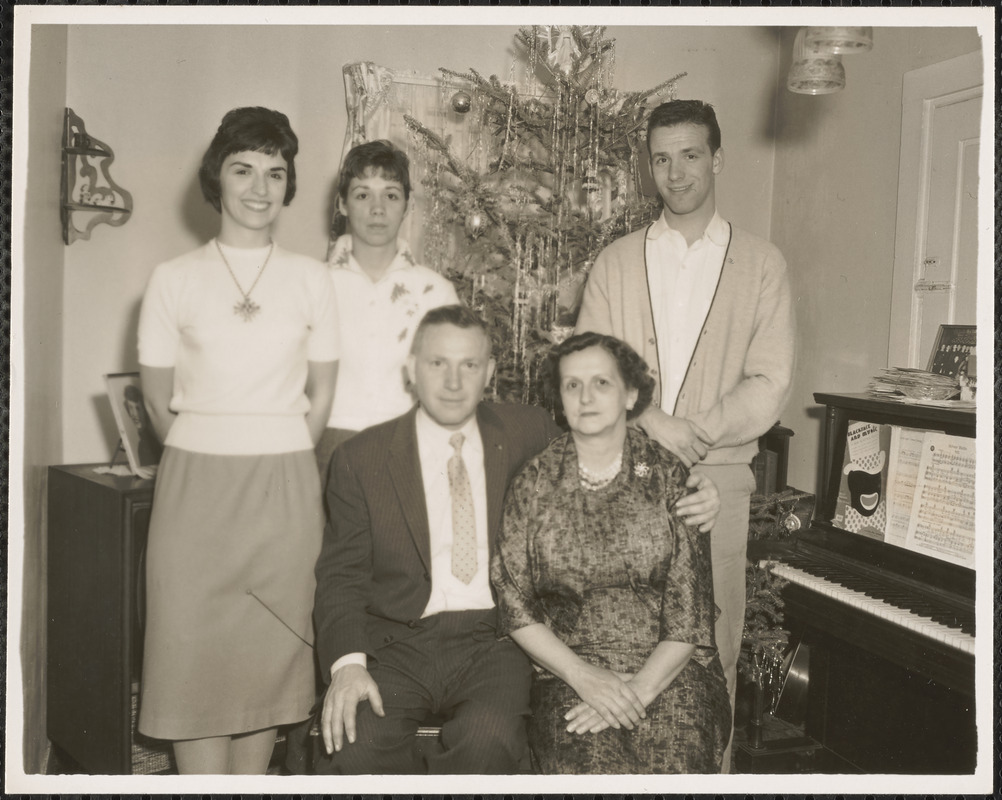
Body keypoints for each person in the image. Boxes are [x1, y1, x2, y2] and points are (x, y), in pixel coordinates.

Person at [311, 306, 721, 774]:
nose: (453, 382)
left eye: (469, 365)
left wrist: (696, 489)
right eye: (438, 363)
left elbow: (603, 443)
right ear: (412, 369)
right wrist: (347, 664)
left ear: (489, 373)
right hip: (396, 642)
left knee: (487, 742)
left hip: (494, 639)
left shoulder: (527, 431)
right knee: (357, 746)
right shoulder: (361, 458)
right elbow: (341, 576)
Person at [574, 99, 795, 769]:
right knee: (618, 648)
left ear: (717, 159)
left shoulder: (761, 263)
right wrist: (651, 422)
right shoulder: (616, 262)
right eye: (662, 159)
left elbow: (770, 379)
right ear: (650, 166)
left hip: (717, 478)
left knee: (709, 655)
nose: (676, 173)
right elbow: (591, 369)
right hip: (620, 475)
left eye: (691, 155)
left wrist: (695, 431)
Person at [136, 107, 339, 774]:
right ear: (216, 178)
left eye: (275, 173)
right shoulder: (173, 279)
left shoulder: (312, 279)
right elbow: (158, 403)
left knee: (266, 658)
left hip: (284, 489)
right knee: (191, 654)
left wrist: (281, 455)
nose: (259, 187)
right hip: (195, 489)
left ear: (289, 185)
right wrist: (209, 450)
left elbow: (321, 397)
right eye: (243, 169)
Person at [492, 332, 731, 774]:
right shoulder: (534, 482)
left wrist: (635, 692)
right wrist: (584, 678)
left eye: (601, 382)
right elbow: (514, 604)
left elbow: (690, 613)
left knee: (677, 761)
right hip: (569, 672)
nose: (586, 397)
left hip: (670, 671)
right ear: (559, 399)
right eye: (572, 385)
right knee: (586, 767)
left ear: (631, 394)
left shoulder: (670, 478)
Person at [317, 139, 459, 475]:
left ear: (407, 205)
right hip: (329, 444)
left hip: (408, 445)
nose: (377, 209)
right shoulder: (314, 284)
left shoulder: (436, 292)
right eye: (362, 195)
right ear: (342, 204)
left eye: (391, 195)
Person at [123, 382, 162, 468]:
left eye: (138, 408)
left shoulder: (148, 443)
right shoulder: (143, 442)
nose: (134, 414)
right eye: (130, 408)